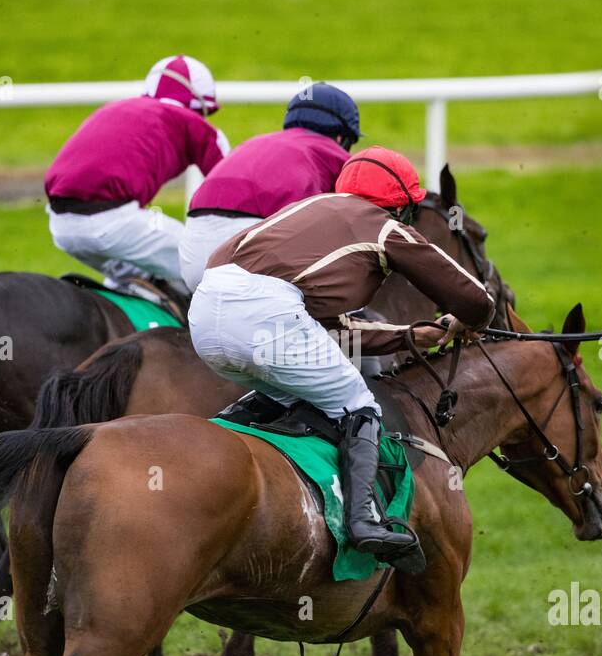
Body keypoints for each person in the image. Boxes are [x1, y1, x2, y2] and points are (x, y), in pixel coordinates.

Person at [189, 147, 495, 573]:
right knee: (358, 402)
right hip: (267, 312)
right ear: (399, 205)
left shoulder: (309, 210)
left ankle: (200, 455)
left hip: (206, 313)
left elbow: (334, 332)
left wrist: (410, 335)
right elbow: (474, 298)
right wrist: (468, 320)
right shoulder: (384, 226)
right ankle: (364, 521)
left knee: (282, 395)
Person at [44, 55, 229, 295]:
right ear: (198, 106)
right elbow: (231, 192)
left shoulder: (114, 108)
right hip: (114, 224)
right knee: (219, 271)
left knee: (137, 284)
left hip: (61, 227)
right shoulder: (194, 124)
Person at [179, 82, 361, 291]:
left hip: (193, 254)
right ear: (341, 137)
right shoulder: (334, 154)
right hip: (252, 259)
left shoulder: (255, 142)